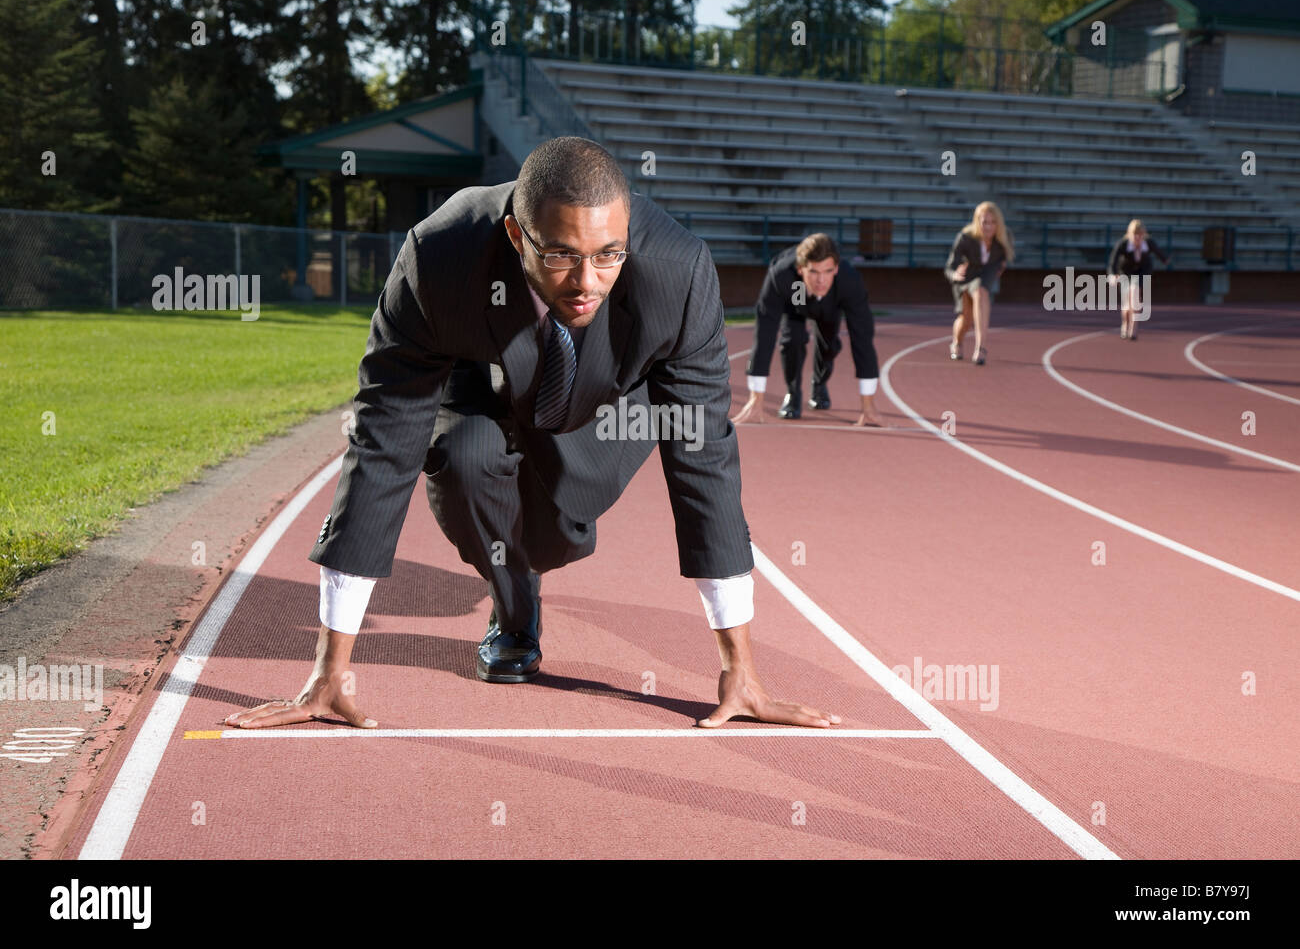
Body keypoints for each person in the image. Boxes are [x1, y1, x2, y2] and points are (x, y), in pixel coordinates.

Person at [225, 137, 839, 731]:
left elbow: (703, 456)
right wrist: (329, 672)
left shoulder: (677, 275)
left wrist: (742, 670)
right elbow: (384, 437)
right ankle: (515, 617)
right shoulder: (440, 258)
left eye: (608, 254)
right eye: (563, 255)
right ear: (518, 235)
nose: (587, 282)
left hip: (611, 402)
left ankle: (540, 552)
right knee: (466, 463)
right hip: (482, 387)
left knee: (552, 535)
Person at [732, 234, 886, 425]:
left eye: (827, 271)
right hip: (797, 295)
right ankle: (793, 393)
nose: (821, 280)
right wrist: (755, 399)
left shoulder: (849, 281)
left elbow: (862, 338)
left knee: (829, 346)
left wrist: (868, 405)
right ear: (801, 268)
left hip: (831, 302)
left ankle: (819, 383)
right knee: (792, 340)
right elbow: (764, 334)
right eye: (814, 271)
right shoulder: (782, 275)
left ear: (836, 268)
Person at [944, 202, 1013, 366]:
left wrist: (1000, 267)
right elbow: (949, 267)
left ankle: (980, 348)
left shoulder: (1003, 239)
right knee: (965, 320)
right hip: (966, 277)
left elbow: (1002, 261)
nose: (988, 227)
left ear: (998, 224)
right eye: (984, 222)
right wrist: (955, 273)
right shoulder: (965, 238)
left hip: (986, 276)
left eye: (992, 222)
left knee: (982, 293)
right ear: (977, 222)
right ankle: (956, 342)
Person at [1107, 219, 1168, 341]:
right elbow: (1112, 263)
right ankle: (1125, 324)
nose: (1137, 238)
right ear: (1129, 234)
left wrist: (1165, 260)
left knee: (1135, 299)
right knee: (1126, 305)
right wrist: (1112, 276)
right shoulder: (1123, 244)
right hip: (1124, 273)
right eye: (1135, 235)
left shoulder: (1148, 243)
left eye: (1140, 235)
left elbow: (1159, 253)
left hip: (1141, 273)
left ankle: (1133, 329)